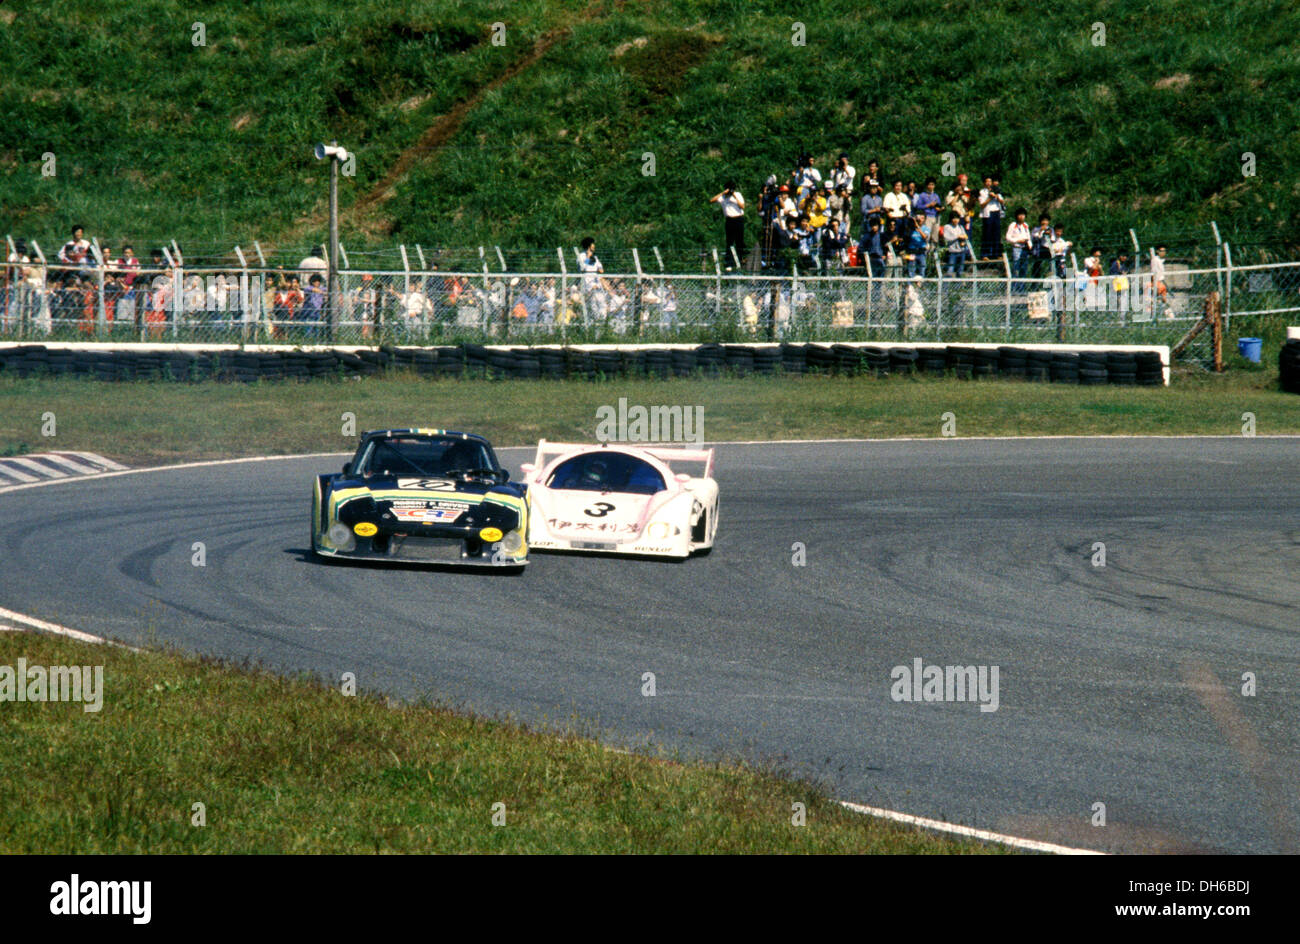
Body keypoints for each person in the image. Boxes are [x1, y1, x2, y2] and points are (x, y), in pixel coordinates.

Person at [709, 182, 746, 269]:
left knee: (739, 241)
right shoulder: (723, 197)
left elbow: (742, 206)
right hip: (729, 220)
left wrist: (734, 196)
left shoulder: (737, 195)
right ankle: (729, 263)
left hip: (738, 219)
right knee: (729, 241)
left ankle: (740, 261)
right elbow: (712, 200)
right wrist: (723, 193)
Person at [978, 176, 1005, 260]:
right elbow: (982, 205)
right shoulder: (982, 192)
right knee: (987, 234)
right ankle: (985, 254)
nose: (988, 183)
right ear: (984, 183)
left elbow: (1002, 201)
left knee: (996, 234)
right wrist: (990, 198)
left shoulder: (996, 190)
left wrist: (996, 196)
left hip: (996, 212)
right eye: (987, 181)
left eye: (990, 181)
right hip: (987, 213)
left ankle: (996, 253)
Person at [1005, 208, 1032, 289]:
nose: (1021, 216)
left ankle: (1022, 287)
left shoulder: (1026, 225)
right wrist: (1017, 240)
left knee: (1024, 268)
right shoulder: (1013, 225)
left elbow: (1028, 237)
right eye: (1020, 215)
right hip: (1016, 248)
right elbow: (1008, 237)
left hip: (1025, 248)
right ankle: (1014, 287)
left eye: (1023, 215)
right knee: (1016, 268)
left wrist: (1030, 245)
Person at [943, 212, 970, 277]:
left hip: (961, 251)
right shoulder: (947, 227)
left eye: (957, 218)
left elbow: (964, 235)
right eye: (954, 218)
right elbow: (946, 238)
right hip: (952, 252)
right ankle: (946, 286)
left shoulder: (960, 227)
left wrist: (964, 239)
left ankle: (958, 285)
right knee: (950, 270)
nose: (956, 220)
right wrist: (957, 237)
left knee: (960, 270)